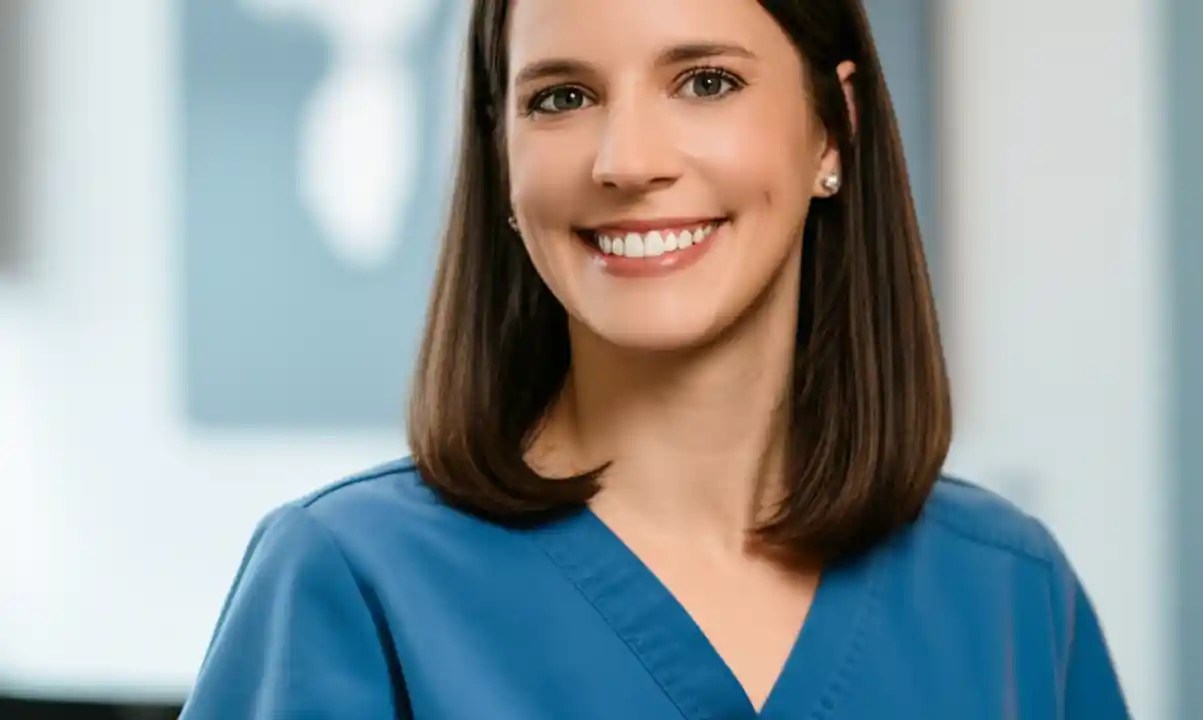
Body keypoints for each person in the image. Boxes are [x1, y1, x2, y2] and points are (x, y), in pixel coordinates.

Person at [180, 0, 1131, 717]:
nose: (626, 160)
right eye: (561, 97)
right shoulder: (350, 581)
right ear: (501, 157)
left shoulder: (1010, 594)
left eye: (706, 81)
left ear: (830, 129)